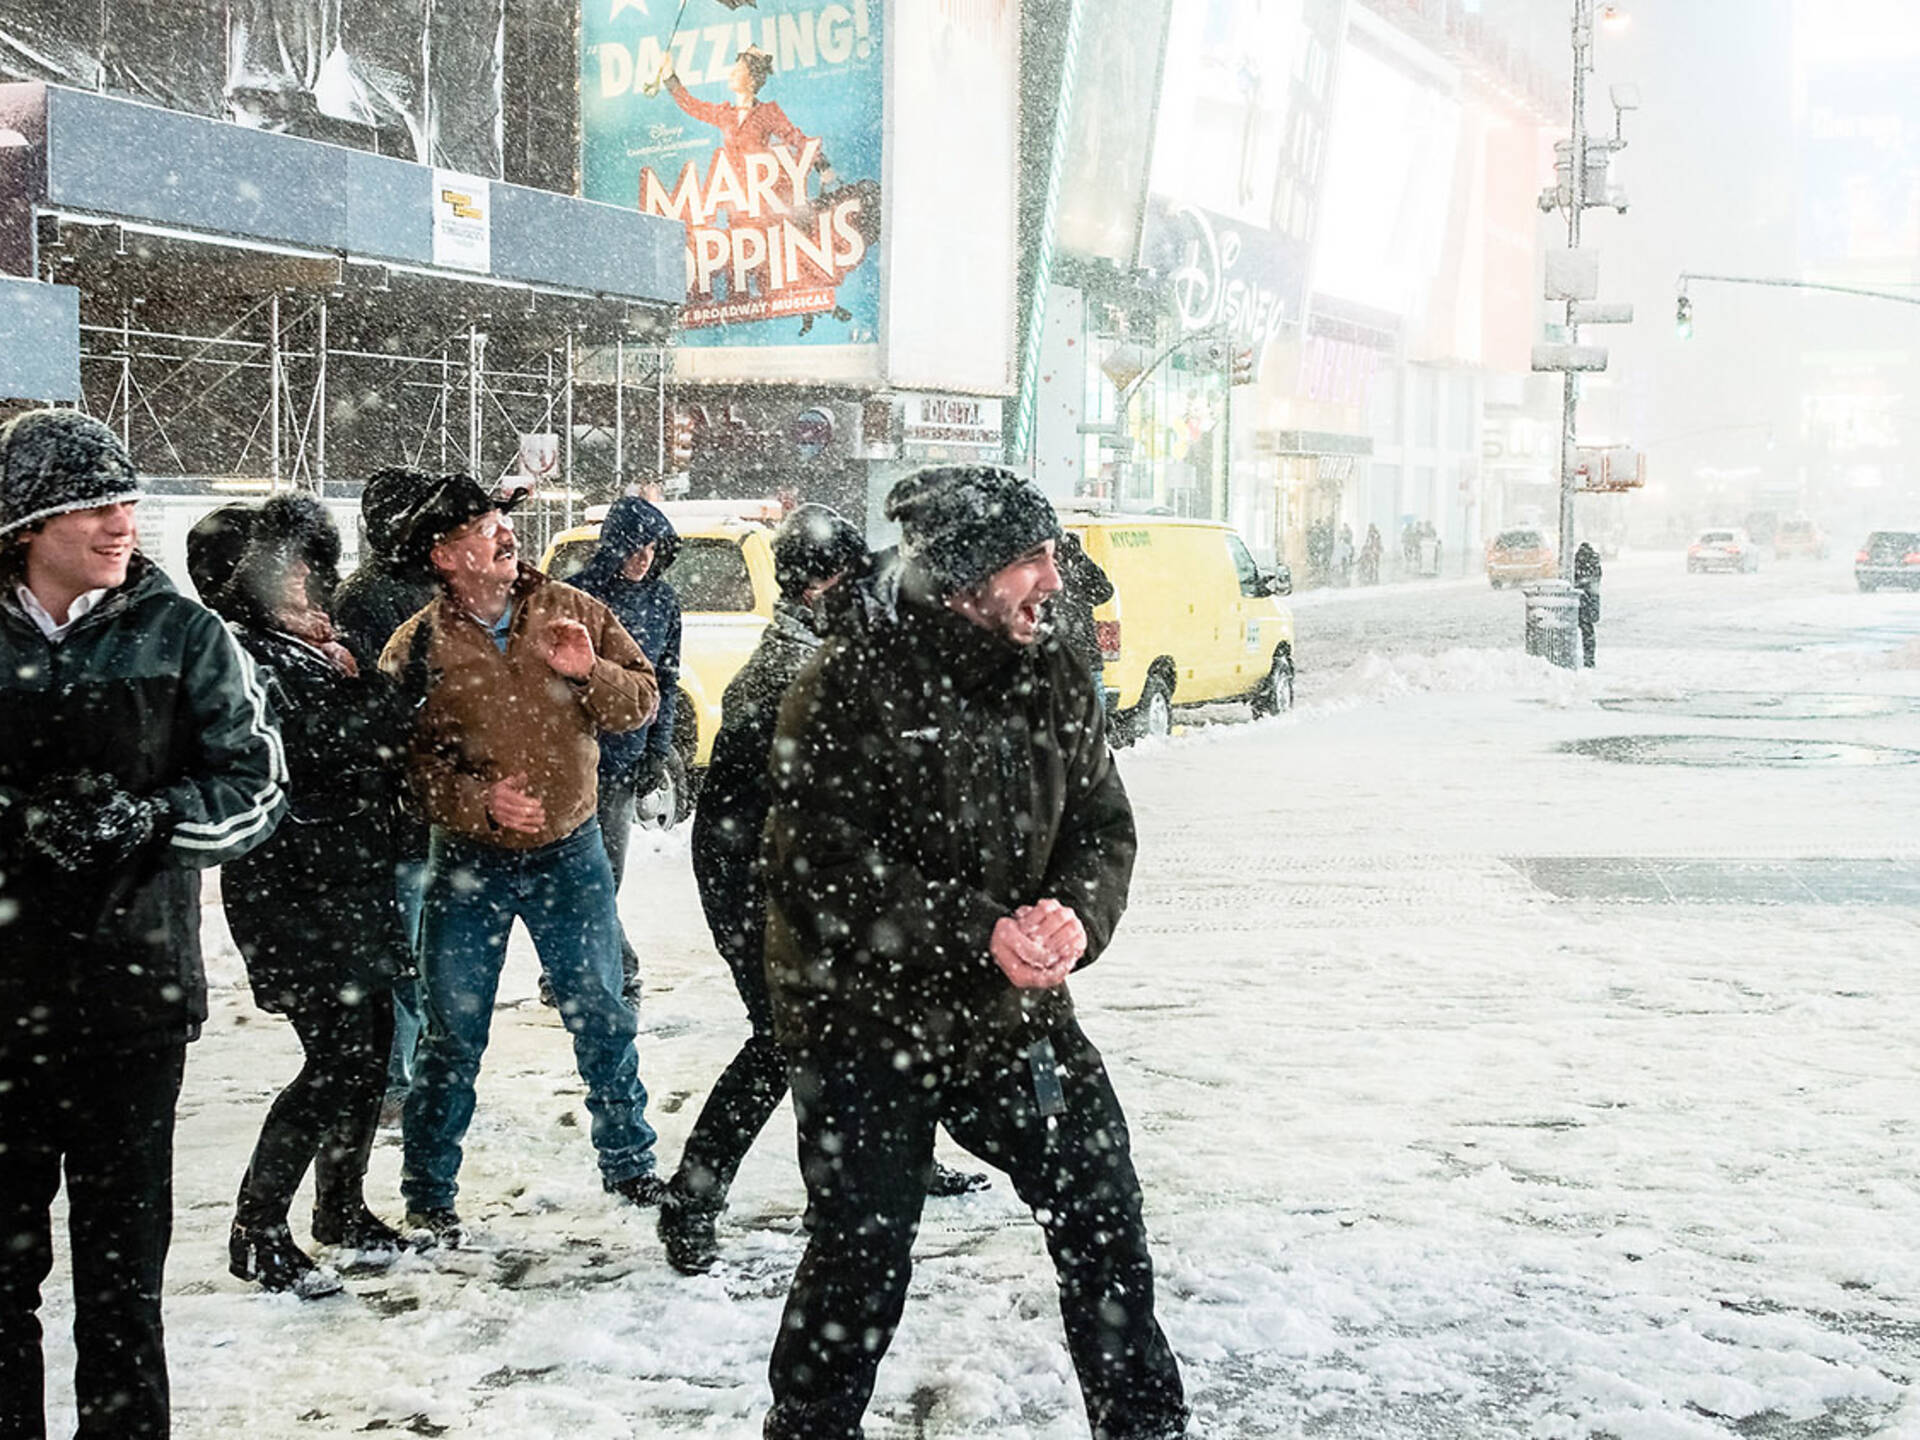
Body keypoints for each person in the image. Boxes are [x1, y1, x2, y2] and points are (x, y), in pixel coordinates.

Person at [759, 466, 1188, 1440]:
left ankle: (1147, 1427)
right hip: (864, 1018)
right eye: (1031, 558)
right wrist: (976, 928)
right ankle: (810, 1427)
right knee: (861, 1252)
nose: (1054, 576)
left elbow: (1101, 827)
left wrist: (1077, 916)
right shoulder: (847, 683)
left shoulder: (1056, 675)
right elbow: (822, 870)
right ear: (964, 575)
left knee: (1102, 1210)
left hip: (1012, 1020)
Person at [0, 410, 287, 1438]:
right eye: (95, 504)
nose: (124, 522)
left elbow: (256, 789)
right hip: (3, 1010)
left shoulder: (184, 633)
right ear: (30, 525)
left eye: (127, 500)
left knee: (123, 1291)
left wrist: (152, 821)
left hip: (134, 1007)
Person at [659, 506, 985, 1276]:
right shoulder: (784, 672)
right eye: (847, 581)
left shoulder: (835, 646)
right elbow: (775, 807)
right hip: (752, 877)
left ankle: (858, 1184)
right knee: (783, 1040)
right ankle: (692, 1200)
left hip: (814, 877)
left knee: (859, 1029)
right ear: (816, 589)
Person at [378, 474, 667, 1242]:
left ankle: (631, 1161)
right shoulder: (419, 645)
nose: (504, 535)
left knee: (601, 1011)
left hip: (569, 853)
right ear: (444, 556)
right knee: (453, 1032)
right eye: (482, 528)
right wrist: (478, 803)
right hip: (467, 861)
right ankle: (429, 1192)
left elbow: (642, 699)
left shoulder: (575, 611)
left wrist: (588, 673)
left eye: (501, 521)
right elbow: (400, 766)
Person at [191, 495, 416, 1298]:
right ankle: (257, 1227)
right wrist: (364, 692)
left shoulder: (307, 649)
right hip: (294, 886)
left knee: (370, 1043)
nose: (305, 581)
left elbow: (374, 738)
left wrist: (352, 678)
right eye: (284, 566)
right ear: (242, 579)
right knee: (335, 1059)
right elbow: (331, 747)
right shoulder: (241, 655)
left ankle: (341, 1206)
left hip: (348, 877)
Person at [333, 467, 442, 1113]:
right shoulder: (368, 598)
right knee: (408, 955)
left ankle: (420, 1075)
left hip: (429, 811)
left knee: (429, 955)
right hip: (399, 811)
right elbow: (376, 710)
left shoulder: (425, 586)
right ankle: (402, 1082)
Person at [564, 496, 683, 1002]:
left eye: (653, 548)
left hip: (623, 759)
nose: (644, 558)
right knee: (578, 874)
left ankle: (578, 969)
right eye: (636, 547)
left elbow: (667, 679)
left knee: (604, 876)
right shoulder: (576, 598)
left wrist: (658, 748)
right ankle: (612, 969)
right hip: (573, 757)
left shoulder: (665, 603)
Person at [1050, 528, 1115, 688]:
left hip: (1080, 659)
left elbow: (1105, 590)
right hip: (1059, 663)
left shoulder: (1074, 567)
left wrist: (1079, 559)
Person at [1574, 540, 1603, 668]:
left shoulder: (1578, 564)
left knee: (1577, 630)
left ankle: (1580, 658)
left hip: (1579, 601)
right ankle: (1589, 660)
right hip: (1591, 600)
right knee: (1588, 632)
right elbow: (1596, 580)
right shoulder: (1594, 564)